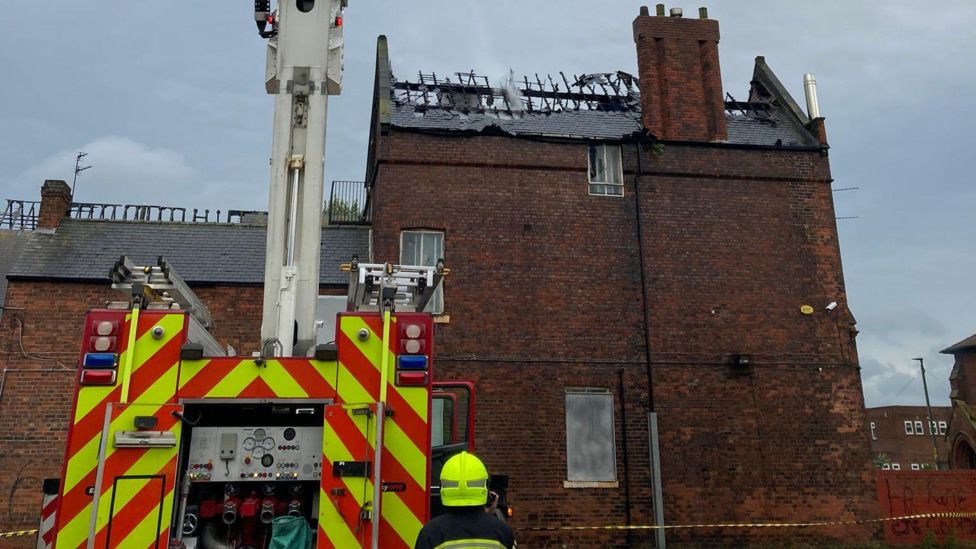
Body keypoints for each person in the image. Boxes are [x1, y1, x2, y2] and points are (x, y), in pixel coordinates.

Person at [415, 451, 516, 549]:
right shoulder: (503, 532)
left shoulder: (430, 532)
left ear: (443, 487)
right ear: (485, 488)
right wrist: (486, 516)